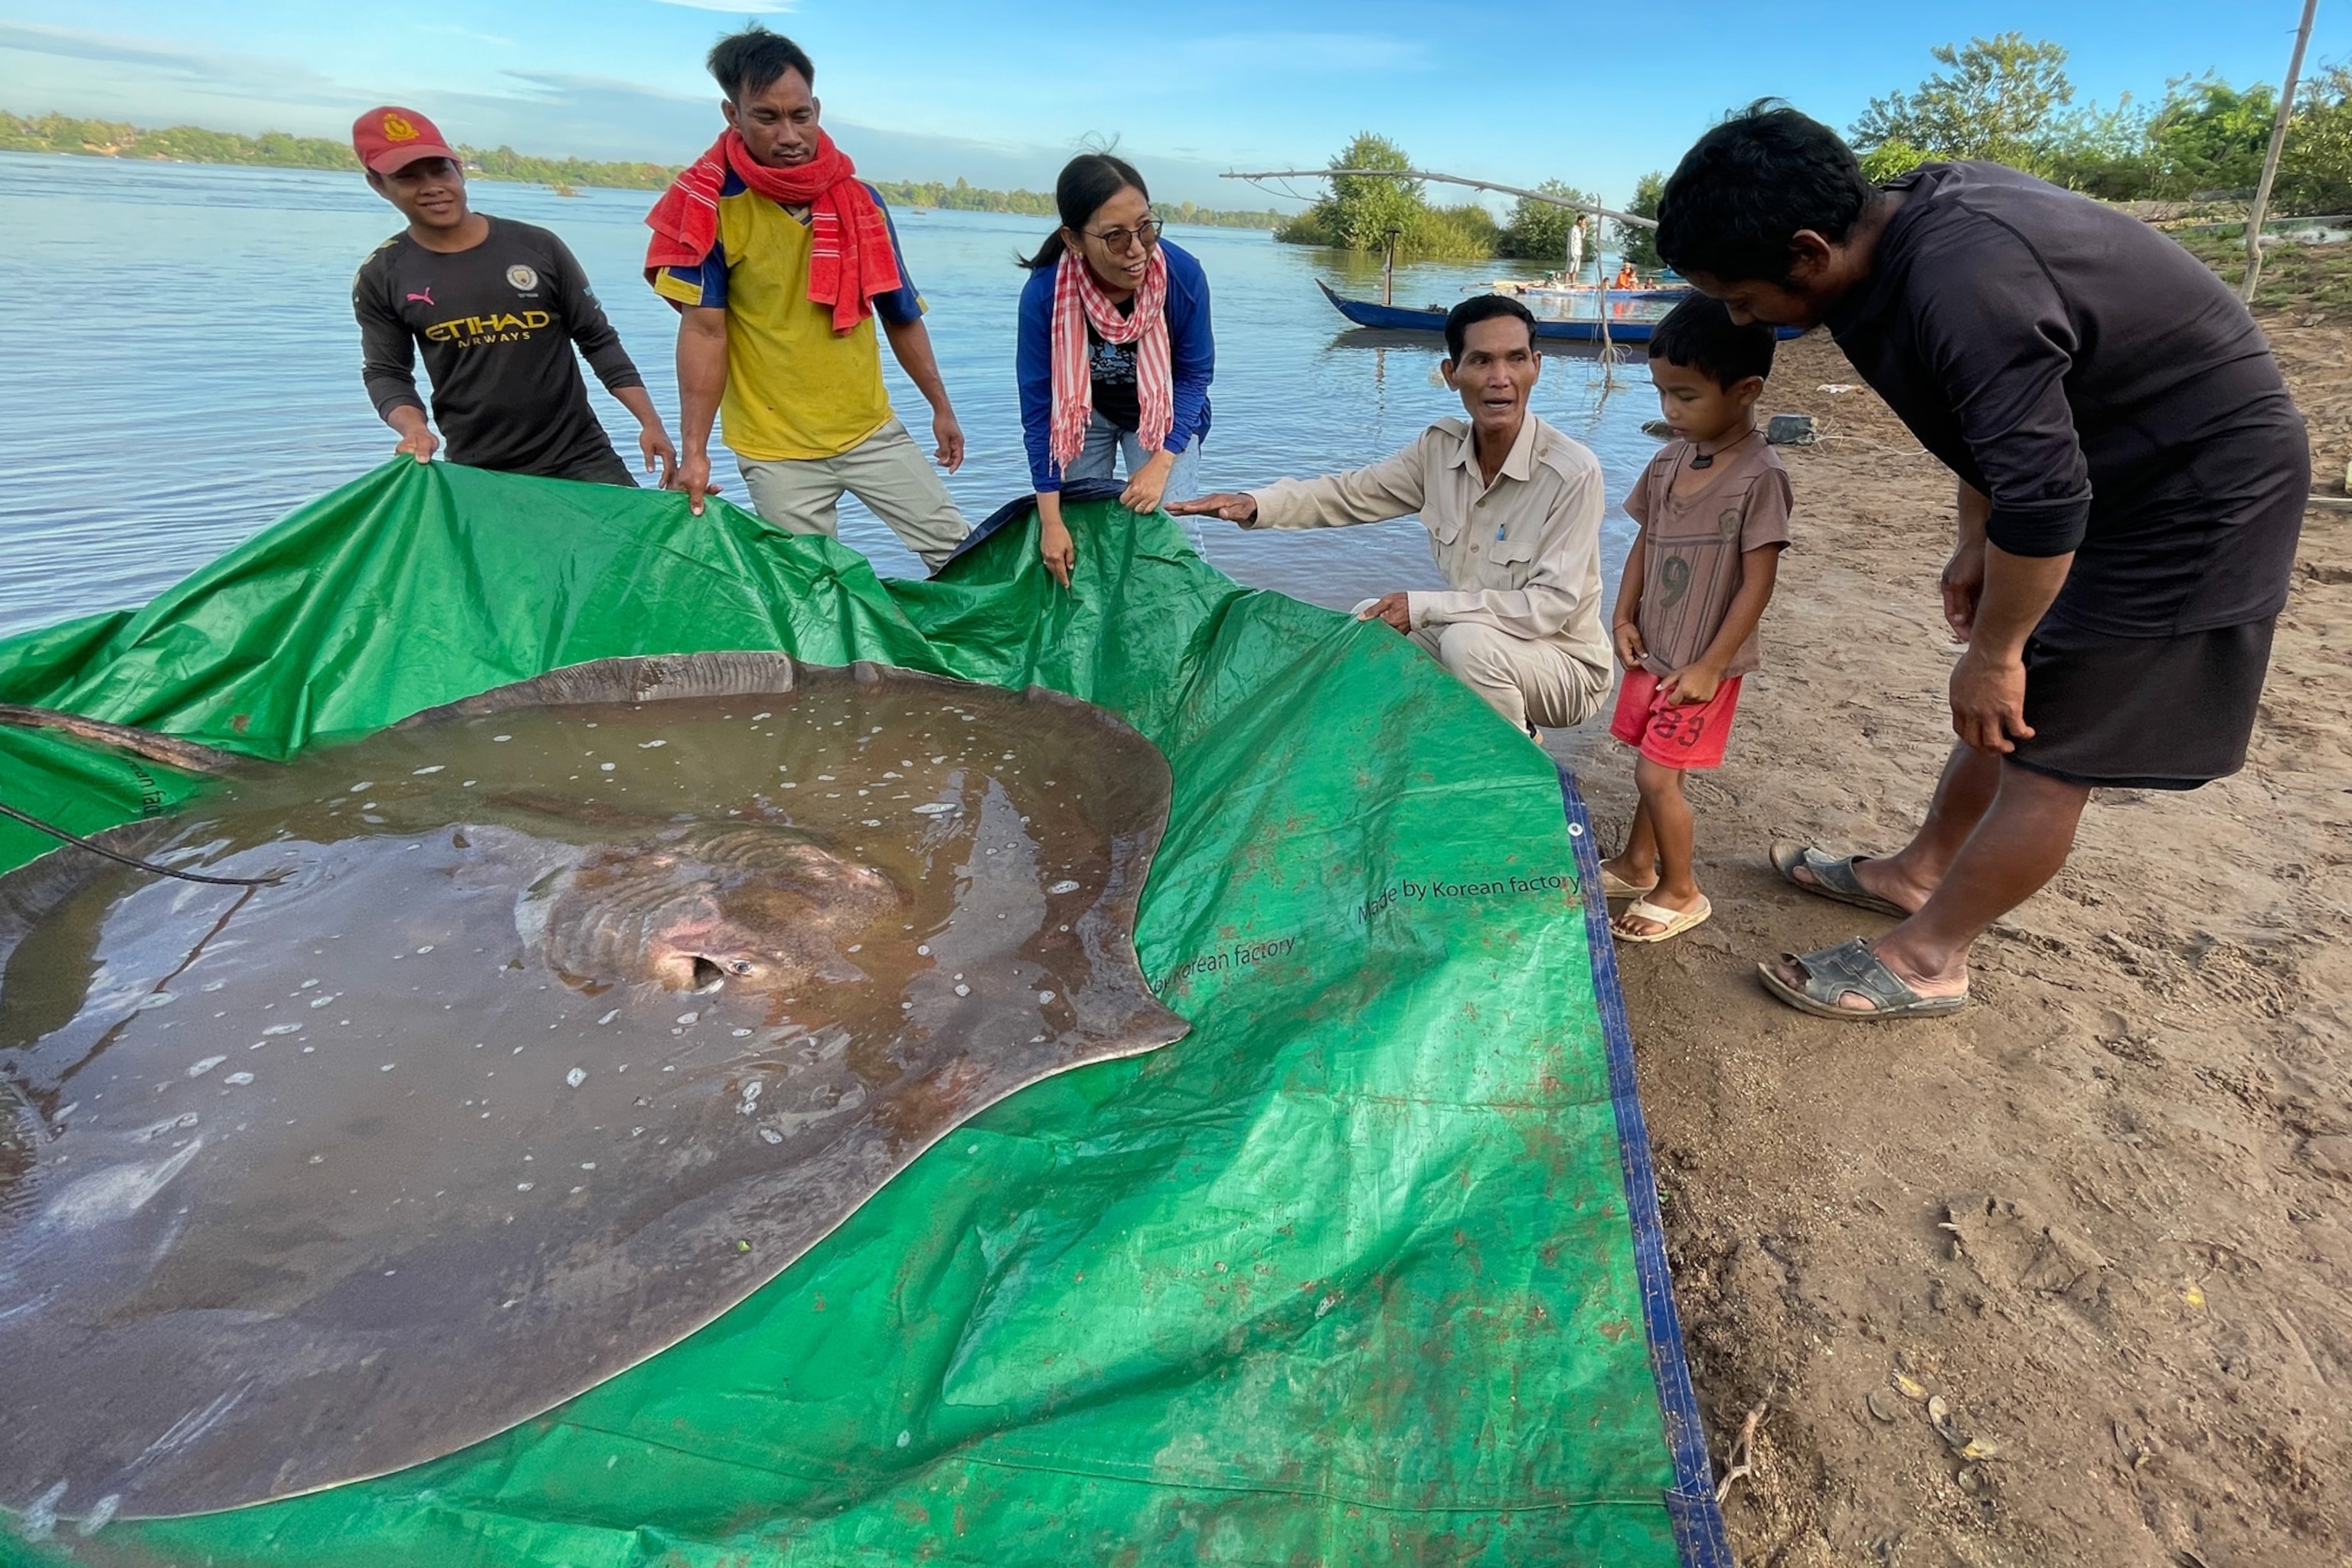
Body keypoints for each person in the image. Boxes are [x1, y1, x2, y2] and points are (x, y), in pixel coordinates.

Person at [1656, 105, 2308, 1018]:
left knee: (2052, 740)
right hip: (2101, 468)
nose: (1736, 317)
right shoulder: (1896, 233)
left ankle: (1929, 957)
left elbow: (2044, 497)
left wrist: (1995, 649)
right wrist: (1974, 540)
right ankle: (1919, 873)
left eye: (1740, 297)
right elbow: (1991, 435)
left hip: (2193, 494)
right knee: (2023, 707)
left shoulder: (1965, 279)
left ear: (1808, 252)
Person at [1171, 295, 1611, 737]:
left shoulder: (1571, 472)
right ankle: (1409, 748)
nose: (1500, 379)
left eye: (1515, 359)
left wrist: (1421, 607)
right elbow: (1349, 494)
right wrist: (1255, 504)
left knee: (1467, 644)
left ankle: (1519, 765)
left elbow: (1548, 608)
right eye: (1480, 361)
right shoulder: (1438, 450)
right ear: (1451, 374)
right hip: (1486, 643)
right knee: (1370, 621)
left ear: (1535, 366)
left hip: (1566, 665)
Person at [645, 28, 969, 572]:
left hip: (869, 429)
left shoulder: (860, 202)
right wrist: (695, 450)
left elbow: (901, 314)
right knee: (812, 588)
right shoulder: (708, 206)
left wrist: (942, 407)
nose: (790, 134)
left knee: (960, 554)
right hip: (775, 451)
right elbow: (705, 332)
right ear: (733, 114)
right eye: (767, 118)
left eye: (801, 115)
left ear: (817, 107)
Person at [349, 106, 676, 486]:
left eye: (440, 169)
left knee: (638, 544)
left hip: (583, 457)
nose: (432, 187)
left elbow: (597, 339)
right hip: (477, 469)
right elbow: (386, 372)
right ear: (377, 184)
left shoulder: (537, 248)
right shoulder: (382, 274)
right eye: (407, 177)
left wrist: (650, 423)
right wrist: (414, 428)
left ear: (459, 170)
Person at [1598, 298, 1790, 943]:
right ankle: (1635, 862)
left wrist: (1711, 665)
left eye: (1685, 396)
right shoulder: (1668, 461)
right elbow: (1647, 543)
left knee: (1656, 773)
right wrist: (1623, 615)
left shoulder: (1761, 478)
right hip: (1654, 647)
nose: (1669, 412)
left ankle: (1681, 890)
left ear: (1746, 391)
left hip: (1703, 662)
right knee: (1653, 762)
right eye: (1661, 394)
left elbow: (1758, 582)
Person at [1016, 154, 1214, 588]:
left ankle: (1193, 632)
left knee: (1172, 531)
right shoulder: (1045, 294)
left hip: (1163, 416)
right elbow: (1039, 408)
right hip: (1084, 416)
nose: (1138, 250)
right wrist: (1050, 520)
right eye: (1115, 238)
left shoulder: (1181, 275)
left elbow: (1195, 374)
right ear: (1073, 239)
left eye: (1145, 227)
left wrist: (1162, 463)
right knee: (1082, 536)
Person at [1567, 213, 1589, 283]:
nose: (1584, 223)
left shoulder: (1580, 230)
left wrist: (1585, 229)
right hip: (1573, 252)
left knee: (1576, 269)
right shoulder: (1573, 230)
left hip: (1578, 252)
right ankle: (1565, 283)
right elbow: (1571, 243)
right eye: (1584, 221)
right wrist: (1572, 254)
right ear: (1580, 221)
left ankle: (1573, 284)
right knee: (1569, 269)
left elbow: (1583, 237)